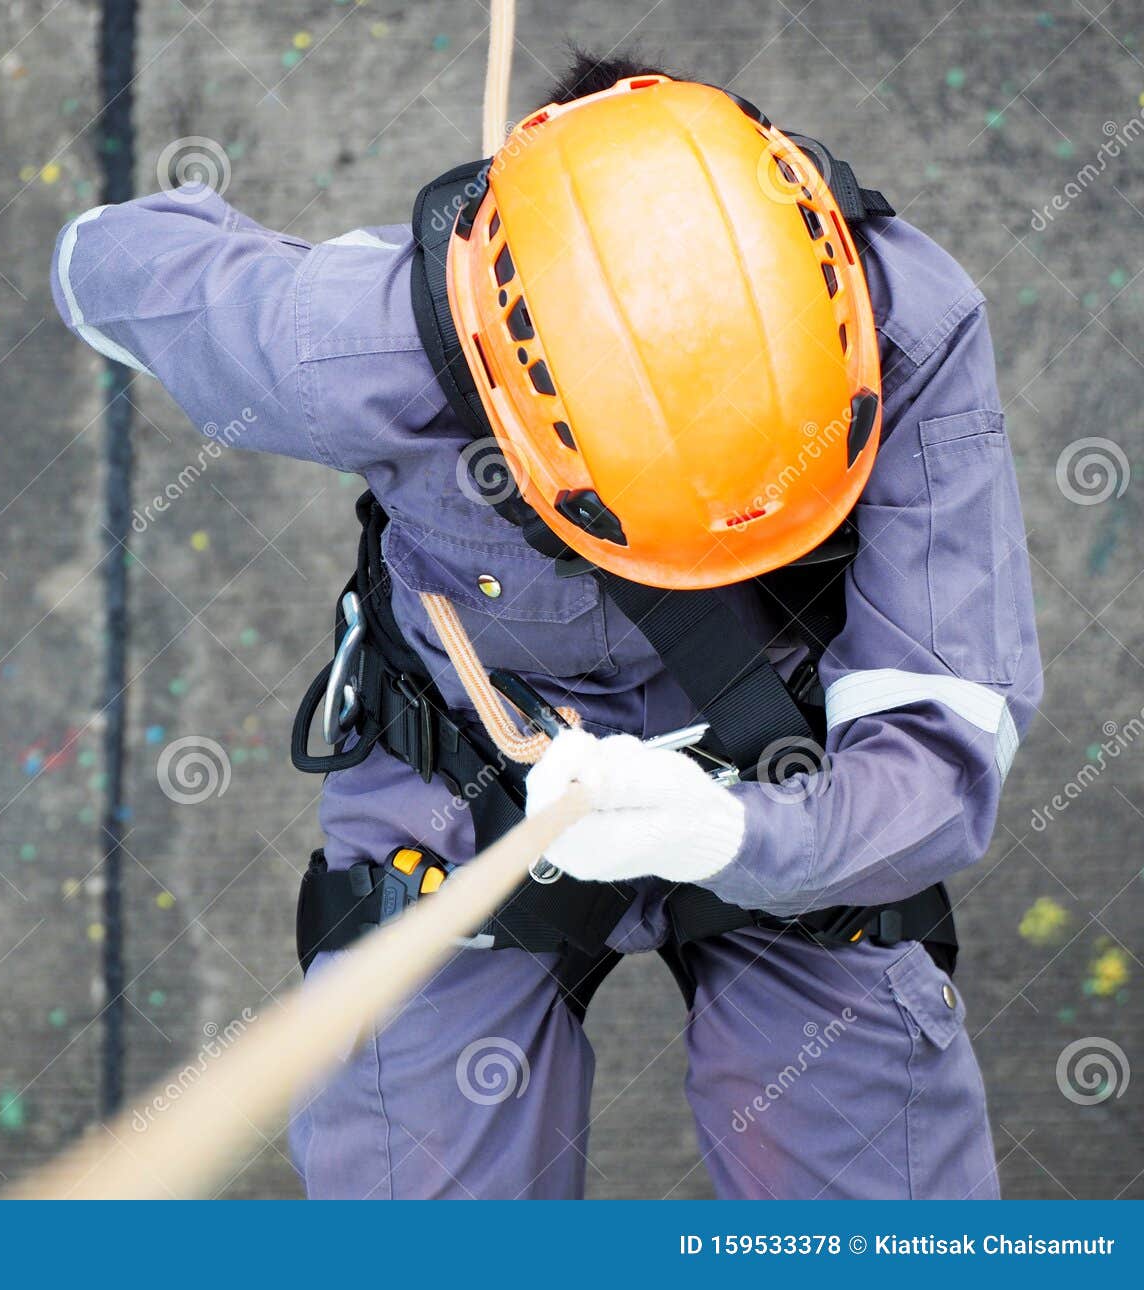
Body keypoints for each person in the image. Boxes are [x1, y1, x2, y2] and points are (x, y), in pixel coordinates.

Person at [51, 49, 1042, 1200]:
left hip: (797, 779)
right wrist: (344, 284)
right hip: (462, 792)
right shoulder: (363, 343)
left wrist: (729, 832)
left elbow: (930, 763)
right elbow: (102, 260)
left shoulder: (901, 330)